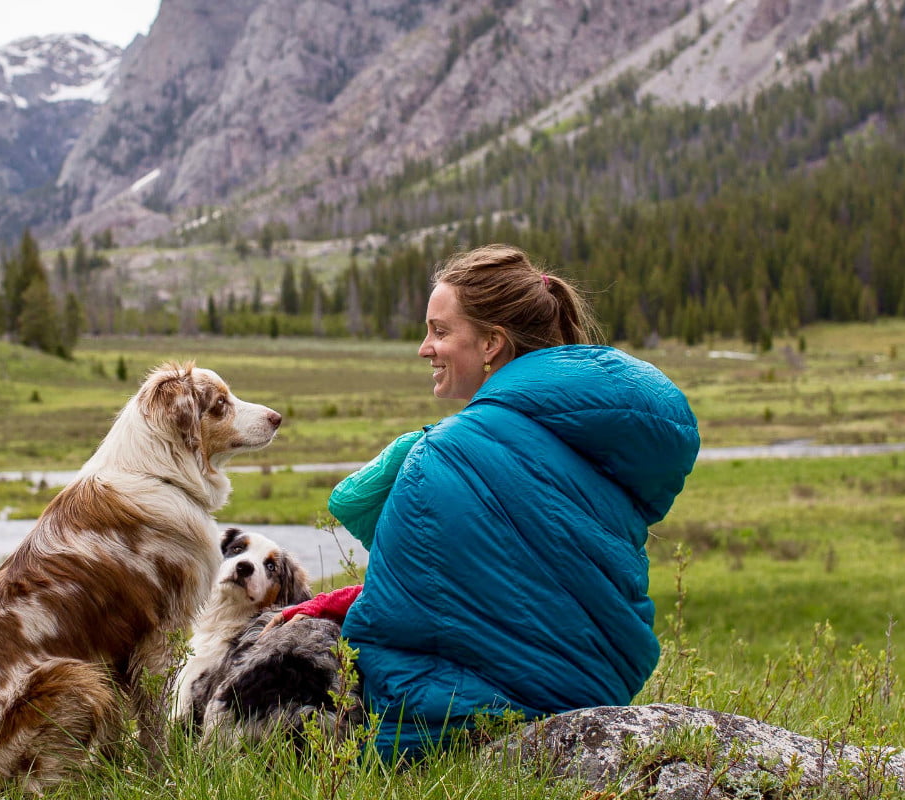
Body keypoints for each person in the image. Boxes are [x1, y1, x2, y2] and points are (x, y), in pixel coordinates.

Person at [273, 244, 700, 759]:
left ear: (493, 343)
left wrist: (333, 615)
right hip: (600, 691)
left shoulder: (443, 458)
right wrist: (343, 599)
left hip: (479, 717)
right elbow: (498, 586)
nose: (424, 348)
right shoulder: (579, 434)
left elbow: (397, 622)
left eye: (440, 330)